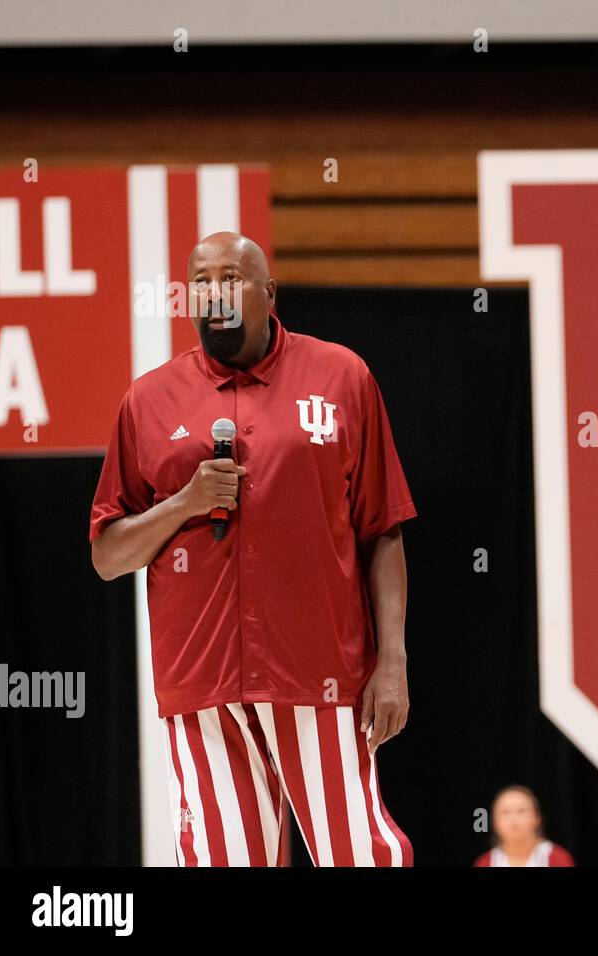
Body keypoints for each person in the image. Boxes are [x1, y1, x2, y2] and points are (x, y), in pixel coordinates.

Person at [89, 233, 417, 866]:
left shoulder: (342, 376)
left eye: (231, 278)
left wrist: (394, 661)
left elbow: (384, 528)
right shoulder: (148, 400)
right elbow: (108, 555)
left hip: (319, 675)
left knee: (360, 856)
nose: (215, 294)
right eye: (202, 281)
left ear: (268, 293)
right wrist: (184, 503)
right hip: (202, 688)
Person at [474, 786, 575, 867]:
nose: (514, 819)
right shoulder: (485, 863)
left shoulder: (558, 859)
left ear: (536, 818)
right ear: (495, 823)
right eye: (505, 812)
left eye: (521, 811)